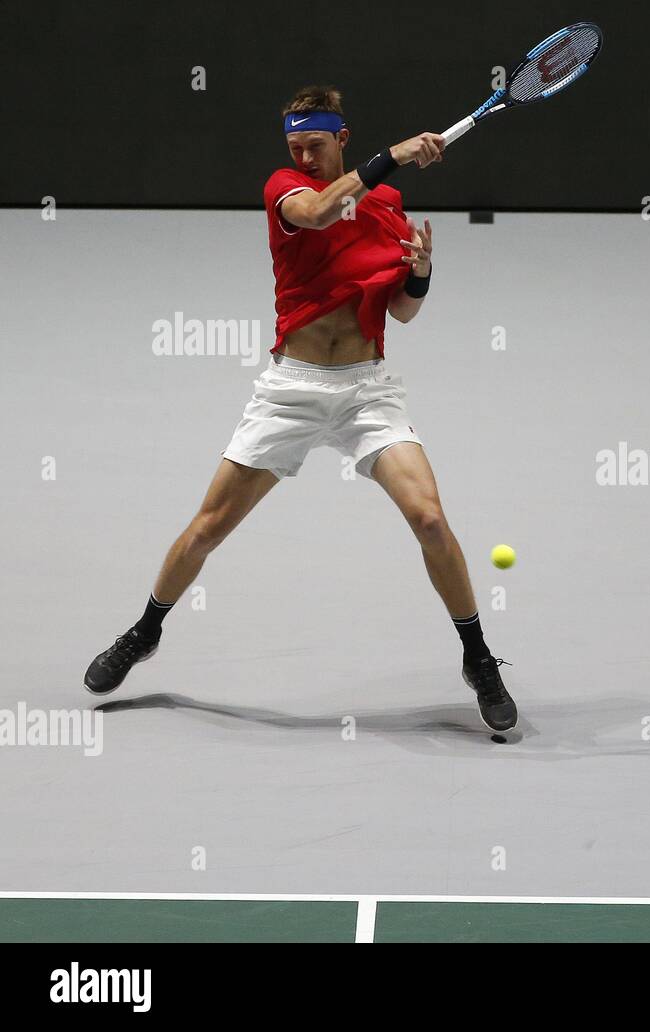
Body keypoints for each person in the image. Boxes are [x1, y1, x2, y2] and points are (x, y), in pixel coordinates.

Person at [83, 85, 517, 733]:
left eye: (315, 144)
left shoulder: (390, 208)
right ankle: (144, 631)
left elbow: (402, 310)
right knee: (206, 528)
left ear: (342, 136)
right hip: (292, 388)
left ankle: (478, 657)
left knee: (429, 518)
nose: (305, 157)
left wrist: (421, 270)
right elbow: (315, 213)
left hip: (367, 388)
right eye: (296, 147)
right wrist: (393, 153)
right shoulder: (286, 190)